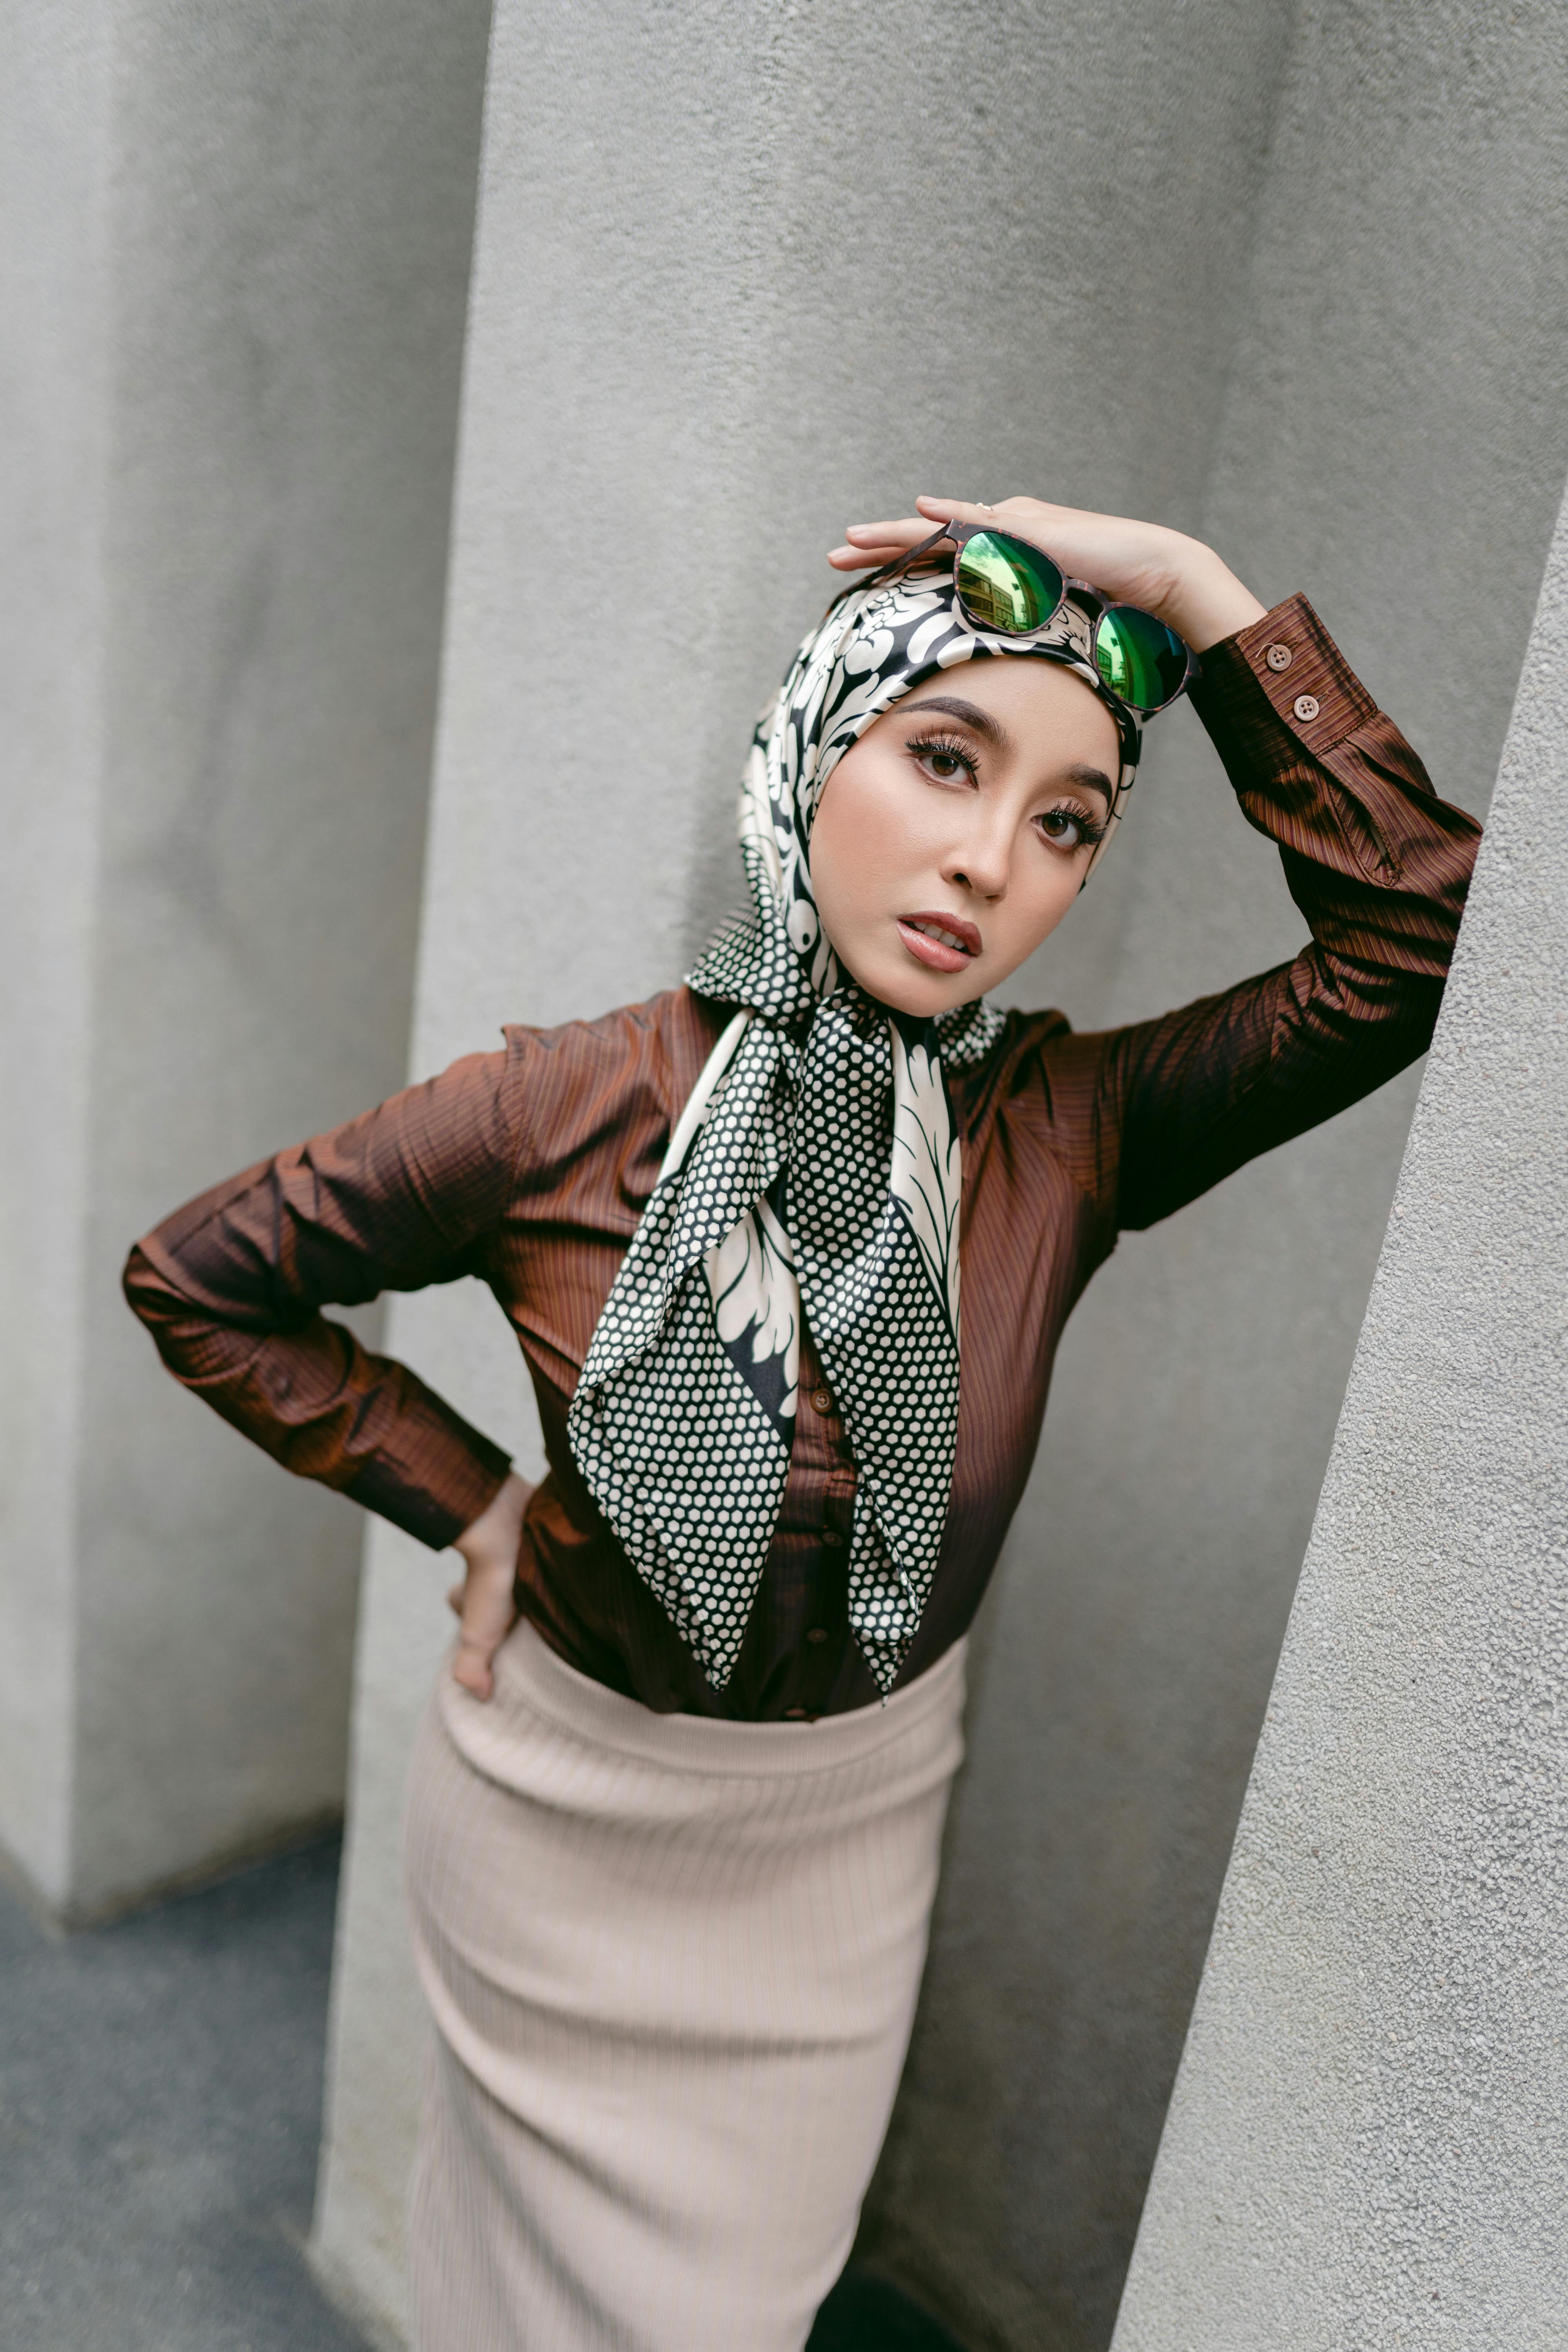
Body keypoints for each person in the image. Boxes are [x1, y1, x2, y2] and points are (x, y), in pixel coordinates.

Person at [123, 495, 1481, 2351]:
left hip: (838, 1853)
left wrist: (1198, 593)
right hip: (564, 1822)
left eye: (1065, 822)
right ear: (817, 746)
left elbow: (1418, 937)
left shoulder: (1066, 1131)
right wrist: (469, 1500)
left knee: (732, 2314)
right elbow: (201, 1280)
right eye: (946, 760)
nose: (988, 861)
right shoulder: (556, 1107)